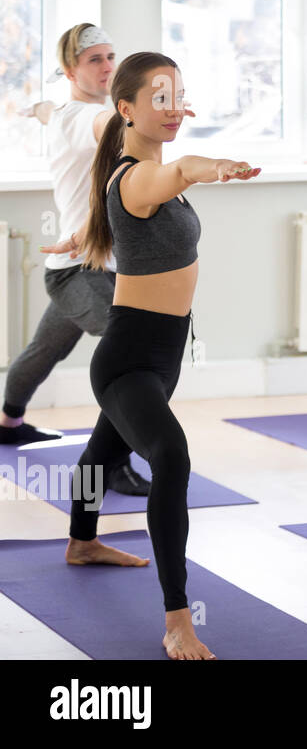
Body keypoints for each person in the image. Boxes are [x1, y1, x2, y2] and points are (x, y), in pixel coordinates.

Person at [46, 51, 260, 660]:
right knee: (171, 454)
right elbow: (178, 173)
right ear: (126, 108)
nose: (173, 108)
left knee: (102, 448)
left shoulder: (133, 174)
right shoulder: (139, 175)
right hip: (128, 359)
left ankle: (81, 541)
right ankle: (177, 619)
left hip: (161, 359)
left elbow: (134, 208)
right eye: (158, 98)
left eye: (178, 95)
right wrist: (210, 166)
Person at [3, 25, 148, 495]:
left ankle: (7, 422)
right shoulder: (87, 118)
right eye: (95, 61)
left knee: (46, 350)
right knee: (128, 355)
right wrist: (150, 116)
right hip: (75, 273)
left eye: (111, 57)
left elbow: (51, 111)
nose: (108, 67)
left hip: (104, 268)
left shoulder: (62, 112)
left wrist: (36, 107)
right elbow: (109, 127)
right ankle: (108, 465)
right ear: (71, 70)